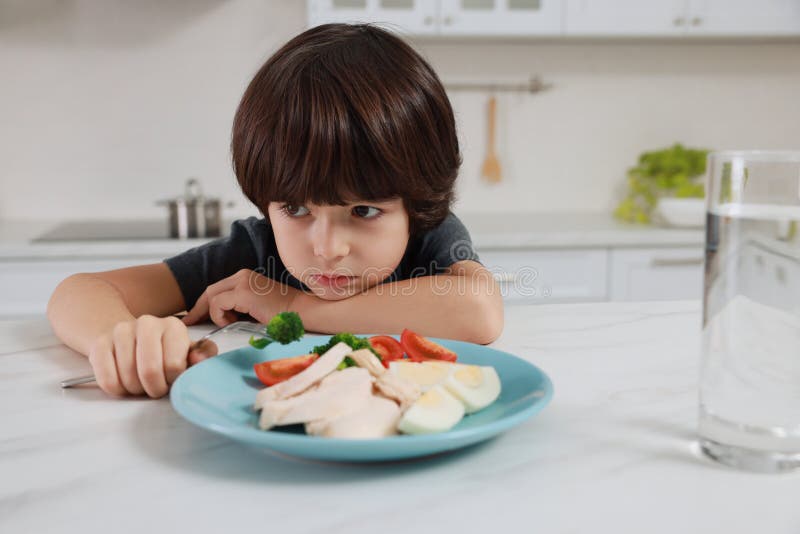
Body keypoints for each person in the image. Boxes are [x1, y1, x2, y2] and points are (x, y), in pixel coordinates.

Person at [47, 23, 504, 399]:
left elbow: (479, 312)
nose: (326, 248)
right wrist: (123, 341)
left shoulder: (426, 235)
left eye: (363, 211)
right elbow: (78, 292)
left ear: (416, 204)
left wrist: (288, 305)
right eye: (296, 207)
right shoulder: (257, 250)